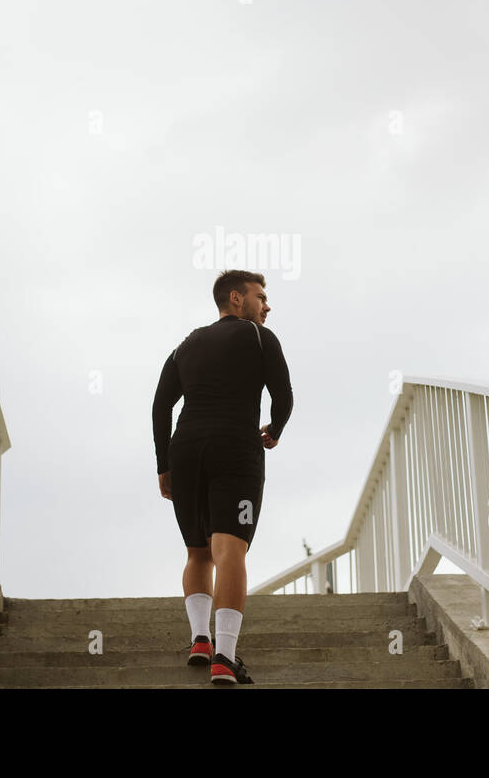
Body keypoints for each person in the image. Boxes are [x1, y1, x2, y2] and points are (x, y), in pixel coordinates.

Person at [151, 269, 293, 685]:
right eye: (260, 297)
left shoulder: (185, 345)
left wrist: (164, 464)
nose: (267, 306)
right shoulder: (258, 337)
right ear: (236, 298)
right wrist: (275, 429)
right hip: (235, 448)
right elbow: (284, 396)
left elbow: (161, 406)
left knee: (197, 551)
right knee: (230, 550)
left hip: (187, 449)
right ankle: (225, 658)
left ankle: (199, 639)